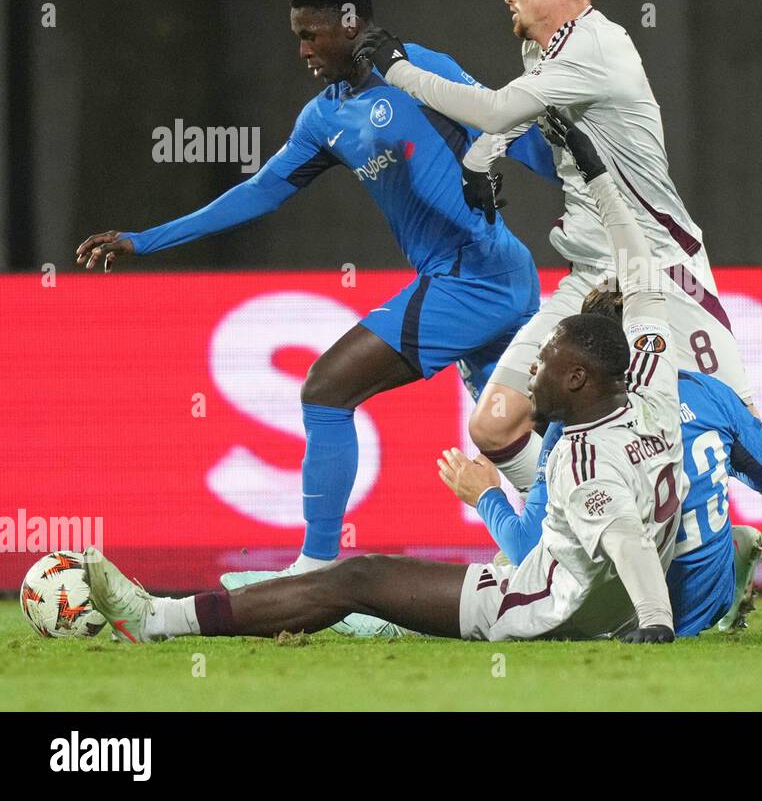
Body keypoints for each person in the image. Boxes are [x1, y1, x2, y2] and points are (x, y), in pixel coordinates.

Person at [353, 0, 762, 631]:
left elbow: (497, 109)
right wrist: (480, 163)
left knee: (747, 436)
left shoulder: (596, 49)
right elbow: (517, 119)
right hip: (589, 270)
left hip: (660, 267)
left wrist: (397, 69)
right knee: (497, 420)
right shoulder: (541, 49)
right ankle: (584, 555)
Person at [83, 100, 686, 644]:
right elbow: (641, 267)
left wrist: (486, 502)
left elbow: (585, 540)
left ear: (579, 379)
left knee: (359, 573)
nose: (530, 370)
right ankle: (357, 609)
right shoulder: (651, 385)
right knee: (474, 481)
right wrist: (598, 174)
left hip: (545, 607)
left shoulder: (581, 461)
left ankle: (159, 619)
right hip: (607, 605)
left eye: (544, 359)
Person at [74, 0, 553, 584]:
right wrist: (147, 240)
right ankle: (561, 546)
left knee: (326, 390)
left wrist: (591, 186)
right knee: (510, 432)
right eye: (297, 35)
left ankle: (315, 568)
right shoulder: (323, 119)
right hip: (482, 277)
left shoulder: (416, 66)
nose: (302, 49)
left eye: (312, 33)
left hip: (476, 274)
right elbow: (260, 193)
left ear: (350, 23)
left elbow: (507, 126)